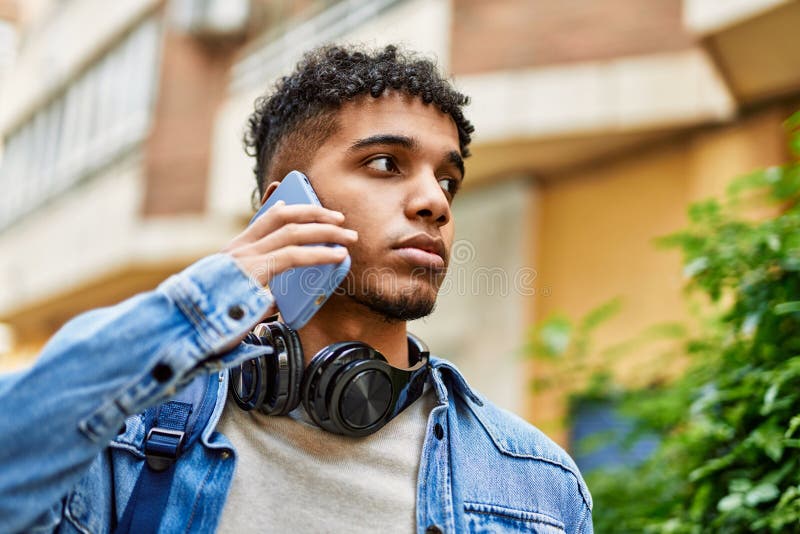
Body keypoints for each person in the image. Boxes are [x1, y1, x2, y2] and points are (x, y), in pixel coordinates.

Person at [0, 44, 592, 533]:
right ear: (284, 206)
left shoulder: (537, 486)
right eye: (386, 164)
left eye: (448, 180)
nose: (434, 202)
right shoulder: (126, 439)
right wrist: (208, 300)